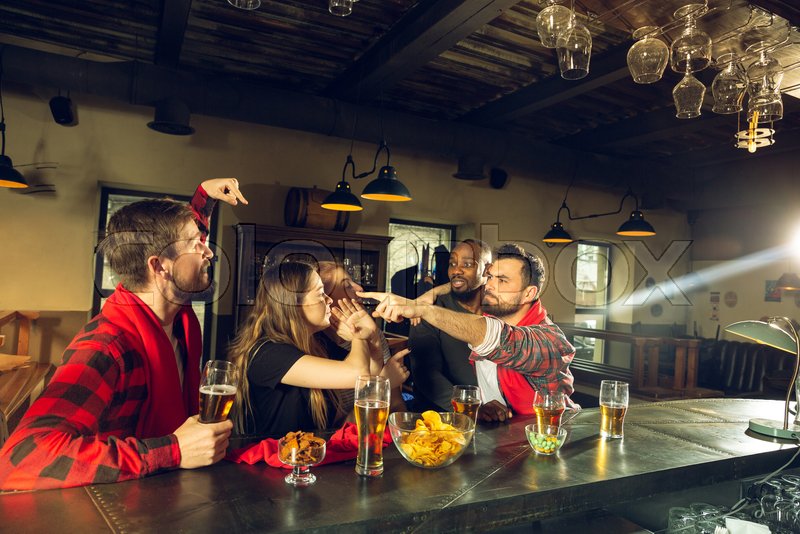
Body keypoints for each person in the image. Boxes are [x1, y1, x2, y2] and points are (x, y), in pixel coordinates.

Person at [0, 178, 247, 491]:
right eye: (196, 244)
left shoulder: (176, 320)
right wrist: (172, 450)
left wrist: (203, 198)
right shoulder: (106, 345)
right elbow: (22, 456)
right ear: (160, 267)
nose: (208, 252)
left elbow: (187, 232)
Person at [361, 243, 577, 423]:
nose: (490, 286)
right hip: (508, 439)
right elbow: (467, 284)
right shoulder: (496, 310)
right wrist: (432, 293)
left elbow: (500, 339)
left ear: (529, 292)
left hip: (551, 439)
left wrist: (421, 308)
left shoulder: (550, 341)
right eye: (490, 277)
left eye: (502, 280)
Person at [228, 261, 408, 438]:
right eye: (321, 294)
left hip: (310, 456)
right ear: (295, 303)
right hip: (271, 461)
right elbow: (358, 373)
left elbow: (368, 375)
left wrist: (374, 337)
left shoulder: (316, 344)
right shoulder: (267, 353)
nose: (329, 300)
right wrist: (358, 334)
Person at [408, 239, 490, 412]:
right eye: (452, 263)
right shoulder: (429, 311)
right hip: (440, 418)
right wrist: (470, 408)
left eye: (467, 264)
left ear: (487, 270)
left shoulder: (499, 312)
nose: (456, 270)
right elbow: (426, 375)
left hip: (493, 413)